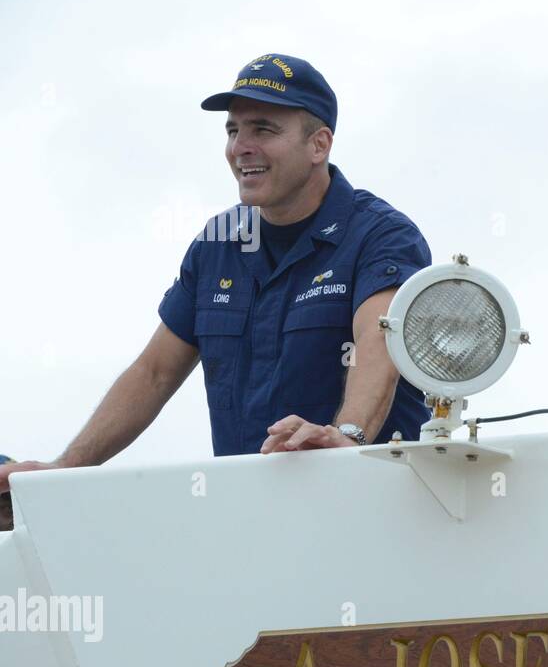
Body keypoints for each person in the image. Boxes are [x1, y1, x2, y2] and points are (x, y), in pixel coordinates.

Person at [0, 53, 432, 500]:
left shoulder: (381, 235)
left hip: (371, 509)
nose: (239, 147)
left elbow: (377, 340)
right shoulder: (217, 244)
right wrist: (61, 471)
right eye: (232, 130)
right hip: (243, 515)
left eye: (263, 128)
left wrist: (348, 437)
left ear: (319, 145)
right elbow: (153, 374)